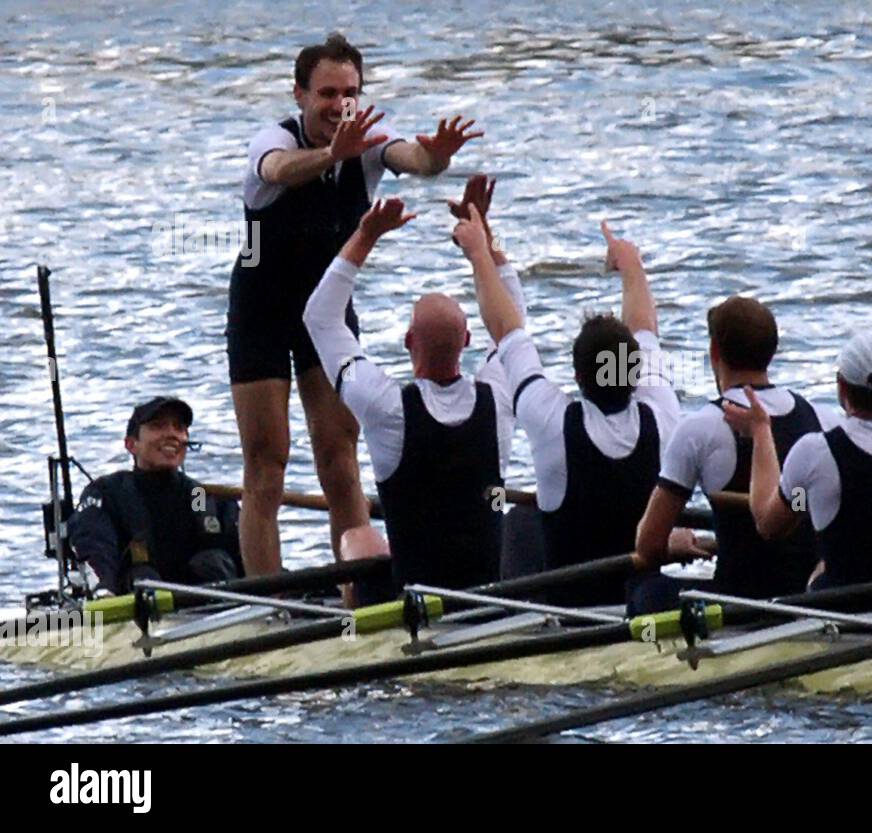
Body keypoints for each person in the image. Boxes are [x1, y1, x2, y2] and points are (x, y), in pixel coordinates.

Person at [228, 32, 483, 577]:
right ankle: (269, 600)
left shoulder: (367, 139)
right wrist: (328, 154)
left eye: (350, 92)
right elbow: (276, 171)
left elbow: (410, 158)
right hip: (262, 313)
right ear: (299, 94)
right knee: (267, 464)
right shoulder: (271, 139)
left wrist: (435, 157)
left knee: (340, 461)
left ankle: (355, 595)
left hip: (325, 316)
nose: (339, 104)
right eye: (326, 93)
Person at [302, 180, 524, 603]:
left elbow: (321, 319)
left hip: (415, 600)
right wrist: (482, 236)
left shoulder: (386, 408)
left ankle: (351, 624)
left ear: (408, 342)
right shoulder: (500, 396)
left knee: (358, 538)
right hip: (489, 597)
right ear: (469, 340)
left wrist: (366, 236)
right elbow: (513, 319)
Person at [459, 205, 681, 606]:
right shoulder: (662, 413)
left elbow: (507, 331)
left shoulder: (553, 422)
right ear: (635, 375)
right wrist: (629, 262)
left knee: (522, 526)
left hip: (575, 615)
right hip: (641, 602)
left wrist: (479, 253)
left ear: (577, 378)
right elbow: (646, 328)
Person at [629, 296, 839, 613]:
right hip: (805, 595)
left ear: (715, 353)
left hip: (739, 600)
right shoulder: (821, 419)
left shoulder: (700, 428)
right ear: (772, 352)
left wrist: (672, 547)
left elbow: (648, 546)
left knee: (644, 588)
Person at [726, 334, 872, 590]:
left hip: (847, 611)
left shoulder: (815, 452)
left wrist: (760, 432)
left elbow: (769, 525)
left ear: (841, 387)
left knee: (818, 575)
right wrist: (803, 496)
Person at [68, 397, 242, 595]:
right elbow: (93, 543)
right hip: (138, 606)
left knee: (213, 561)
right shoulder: (108, 492)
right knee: (143, 577)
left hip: (207, 606)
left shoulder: (198, 495)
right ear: (132, 445)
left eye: (178, 427)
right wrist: (103, 589)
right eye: (158, 426)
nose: (171, 434)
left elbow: (234, 545)